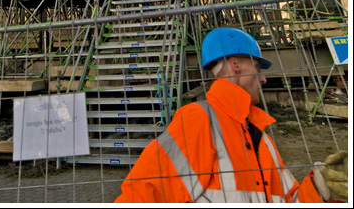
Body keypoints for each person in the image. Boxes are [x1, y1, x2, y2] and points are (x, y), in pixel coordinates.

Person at [115, 27, 347, 203]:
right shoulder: (197, 121)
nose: (264, 78)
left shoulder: (259, 134)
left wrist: (319, 188)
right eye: (257, 68)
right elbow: (140, 196)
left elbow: (287, 200)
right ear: (236, 65)